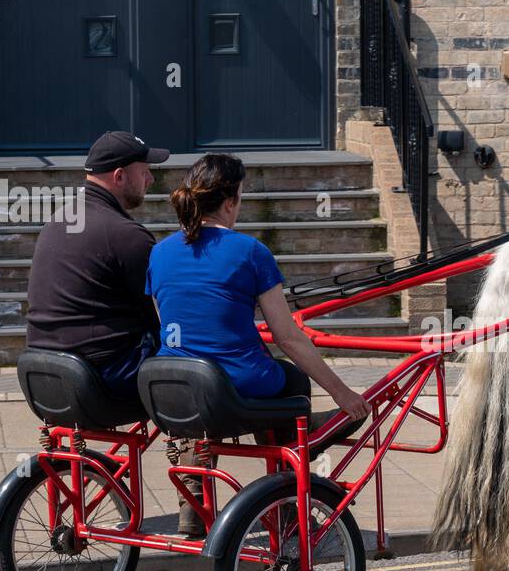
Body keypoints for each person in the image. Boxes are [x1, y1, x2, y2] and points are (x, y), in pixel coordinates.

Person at [147, 153, 371, 537]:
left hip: (172, 386)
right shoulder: (251, 252)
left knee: (215, 386)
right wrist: (343, 393)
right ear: (231, 201)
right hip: (228, 387)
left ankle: (193, 502)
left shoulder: (160, 251)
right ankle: (287, 503)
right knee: (293, 382)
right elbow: (287, 336)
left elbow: (169, 321)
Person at [25, 131, 168, 399]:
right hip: (104, 375)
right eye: (145, 171)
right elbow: (163, 310)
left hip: (44, 368)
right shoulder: (127, 235)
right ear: (119, 176)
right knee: (198, 350)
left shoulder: (57, 221)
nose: (151, 179)